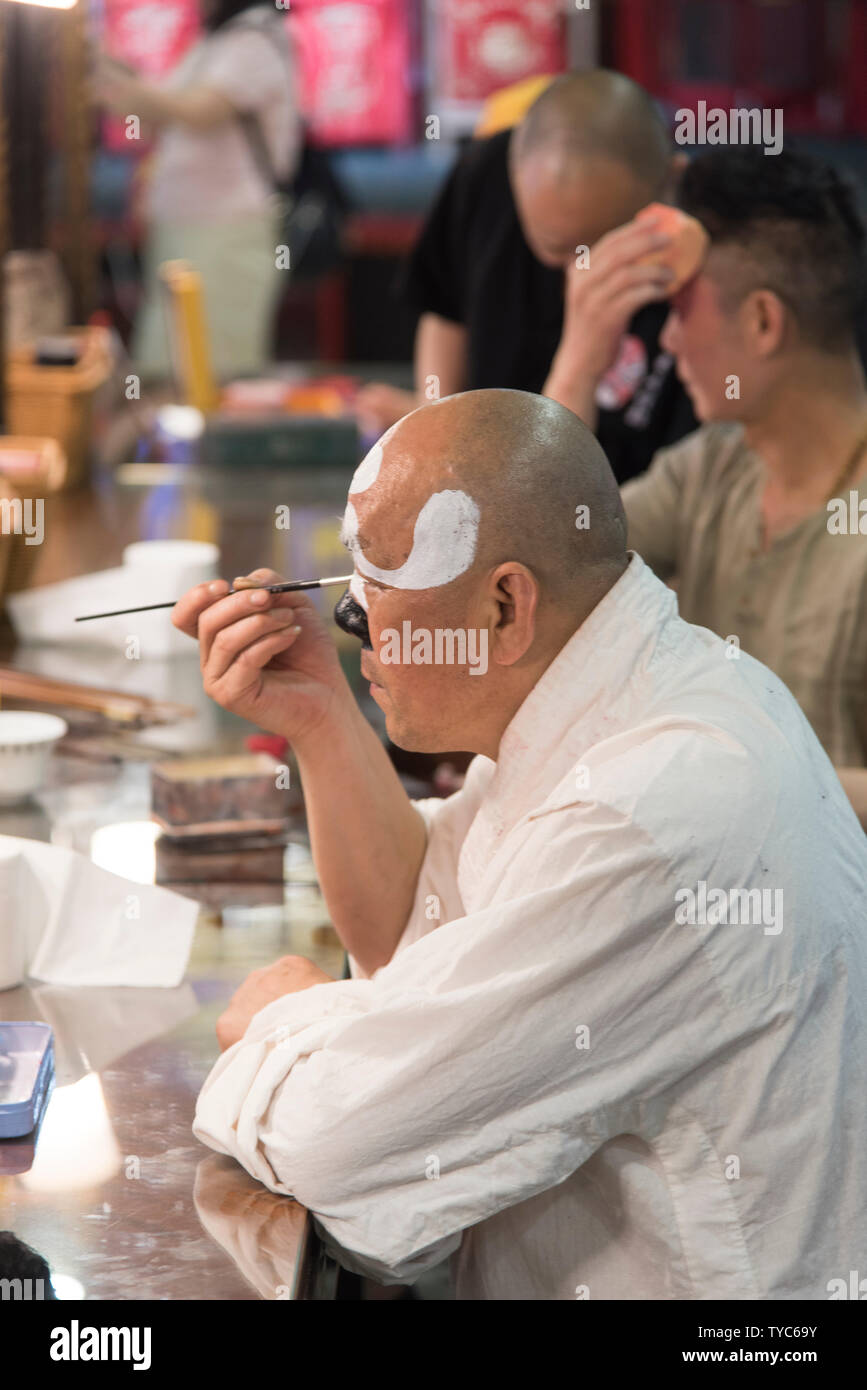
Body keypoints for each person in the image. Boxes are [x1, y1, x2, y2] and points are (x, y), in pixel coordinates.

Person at [175, 389, 867, 1300]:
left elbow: (338, 1145)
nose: (352, 617)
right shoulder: (624, 692)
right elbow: (410, 915)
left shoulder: (648, 815)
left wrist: (279, 1018)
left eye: (377, 580)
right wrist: (318, 714)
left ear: (504, 607)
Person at [621, 147, 867, 826]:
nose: (667, 340)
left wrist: (736, 778)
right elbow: (543, 549)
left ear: (762, 321)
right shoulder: (707, 469)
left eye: (680, 308)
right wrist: (581, 350)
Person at [356, 71, 697, 484]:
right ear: (513, 174)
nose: (583, 271)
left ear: (670, 185)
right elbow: (445, 307)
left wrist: (582, 360)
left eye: (610, 245)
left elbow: (549, 495)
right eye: (558, 248)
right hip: (485, 467)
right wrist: (437, 421)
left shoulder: (697, 256)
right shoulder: (483, 176)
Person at [94, 0, 300, 380]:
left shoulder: (257, 38)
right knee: (167, 364)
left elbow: (196, 111)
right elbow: (154, 109)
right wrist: (99, 60)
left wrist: (115, 78)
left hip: (227, 235)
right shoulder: (216, 40)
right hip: (187, 233)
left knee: (211, 372)